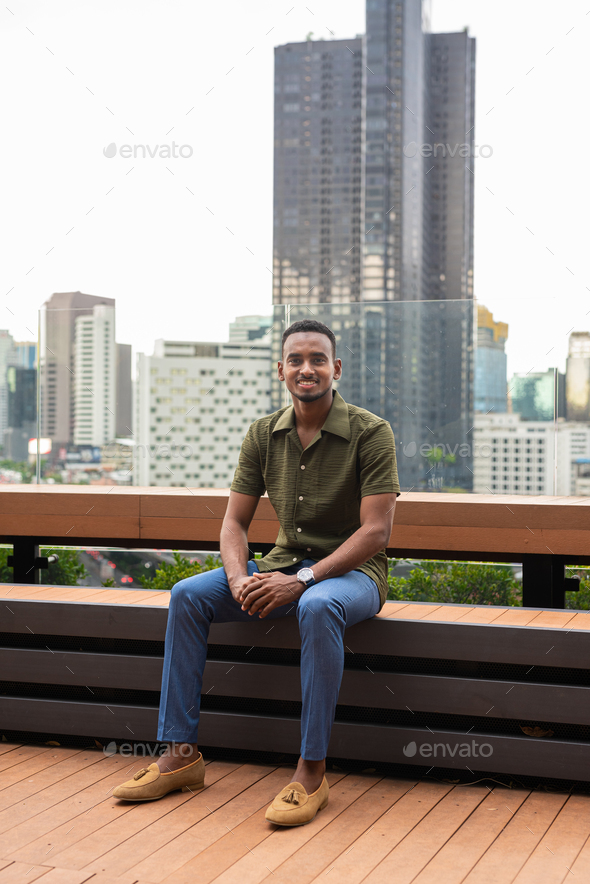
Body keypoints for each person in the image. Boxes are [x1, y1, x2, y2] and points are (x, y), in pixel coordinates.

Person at [113, 319, 400, 826]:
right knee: (186, 595)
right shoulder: (263, 434)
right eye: (295, 360)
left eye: (316, 360)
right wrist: (238, 578)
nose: (305, 369)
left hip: (353, 576)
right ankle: (181, 756)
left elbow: (376, 533)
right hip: (281, 566)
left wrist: (306, 579)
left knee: (315, 604)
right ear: (281, 370)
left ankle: (311, 771)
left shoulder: (371, 432)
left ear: (335, 369)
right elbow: (234, 523)